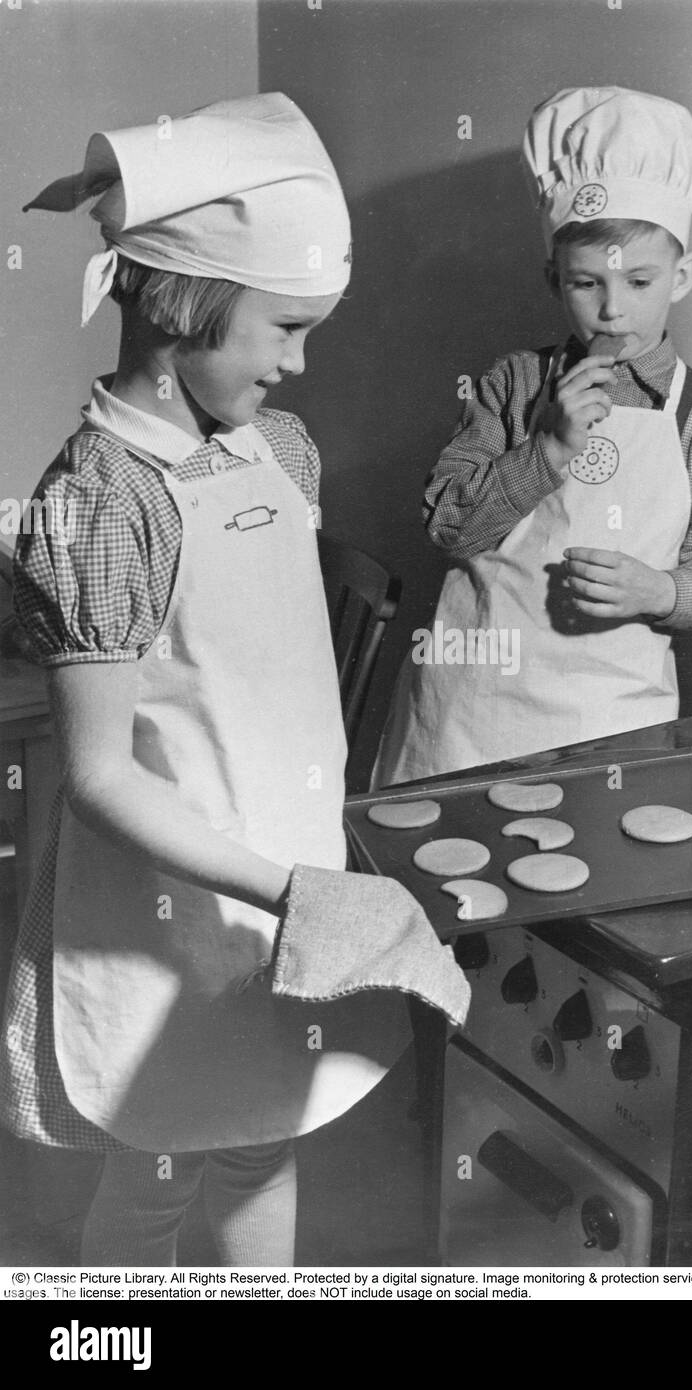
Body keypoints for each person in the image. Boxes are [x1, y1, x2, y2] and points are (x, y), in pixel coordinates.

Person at [0, 93, 467, 1267]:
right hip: (179, 902)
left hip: (284, 887)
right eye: (284, 328)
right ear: (179, 305)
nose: (302, 361)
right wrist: (288, 890)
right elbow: (101, 773)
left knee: (264, 1138)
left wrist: (309, 882)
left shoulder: (281, 448)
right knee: (160, 1167)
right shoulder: (100, 502)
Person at [374, 87, 692, 786]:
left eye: (639, 281)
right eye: (586, 283)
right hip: (468, 714)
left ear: (682, 276)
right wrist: (544, 451)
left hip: (609, 723)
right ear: (553, 279)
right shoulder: (512, 384)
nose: (613, 309)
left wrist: (660, 592)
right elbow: (447, 528)